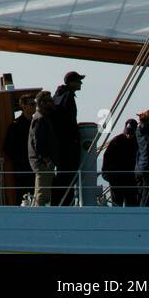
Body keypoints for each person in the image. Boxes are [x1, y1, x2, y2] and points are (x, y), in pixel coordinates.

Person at [51, 71, 84, 206]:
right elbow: (69, 121)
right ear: (71, 83)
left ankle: (60, 202)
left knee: (62, 175)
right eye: (78, 81)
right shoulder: (68, 96)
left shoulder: (57, 96)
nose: (81, 83)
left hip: (60, 145)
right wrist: (75, 138)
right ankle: (67, 203)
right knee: (69, 175)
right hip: (68, 145)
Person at [3, 93, 36, 204]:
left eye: (35, 104)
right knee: (22, 198)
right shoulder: (15, 126)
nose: (34, 106)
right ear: (23, 105)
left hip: (35, 167)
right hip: (22, 168)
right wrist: (20, 160)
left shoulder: (36, 124)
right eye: (31, 104)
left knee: (36, 197)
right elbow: (7, 148)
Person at [28, 90, 59, 206]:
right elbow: (38, 141)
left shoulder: (40, 118)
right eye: (48, 101)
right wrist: (45, 158)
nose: (51, 103)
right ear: (41, 103)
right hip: (42, 162)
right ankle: (38, 218)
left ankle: (38, 214)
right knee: (42, 193)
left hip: (42, 161)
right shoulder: (40, 119)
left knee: (41, 192)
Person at [102, 119, 139, 206]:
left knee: (132, 203)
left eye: (131, 133)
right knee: (117, 203)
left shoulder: (137, 141)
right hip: (117, 179)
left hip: (131, 179)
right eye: (127, 133)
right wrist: (106, 174)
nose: (129, 135)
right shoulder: (116, 141)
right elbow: (107, 157)